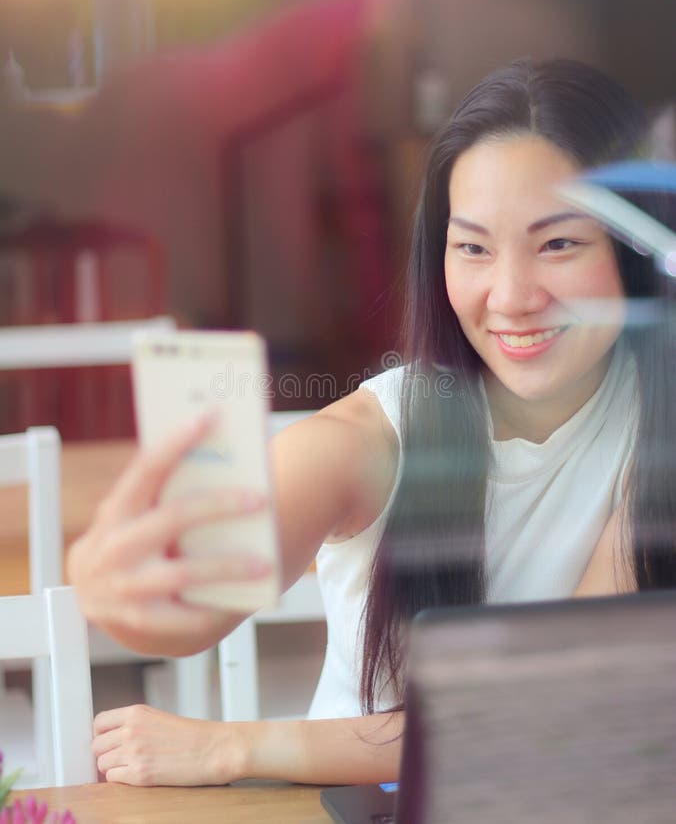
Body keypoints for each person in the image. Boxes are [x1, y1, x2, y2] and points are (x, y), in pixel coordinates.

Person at [68, 57, 676, 788]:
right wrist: (118, 590)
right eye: (473, 247)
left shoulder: (655, 425)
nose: (511, 297)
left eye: (558, 244)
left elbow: (547, 700)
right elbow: (196, 606)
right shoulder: (366, 441)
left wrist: (236, 747)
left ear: (636, 251)